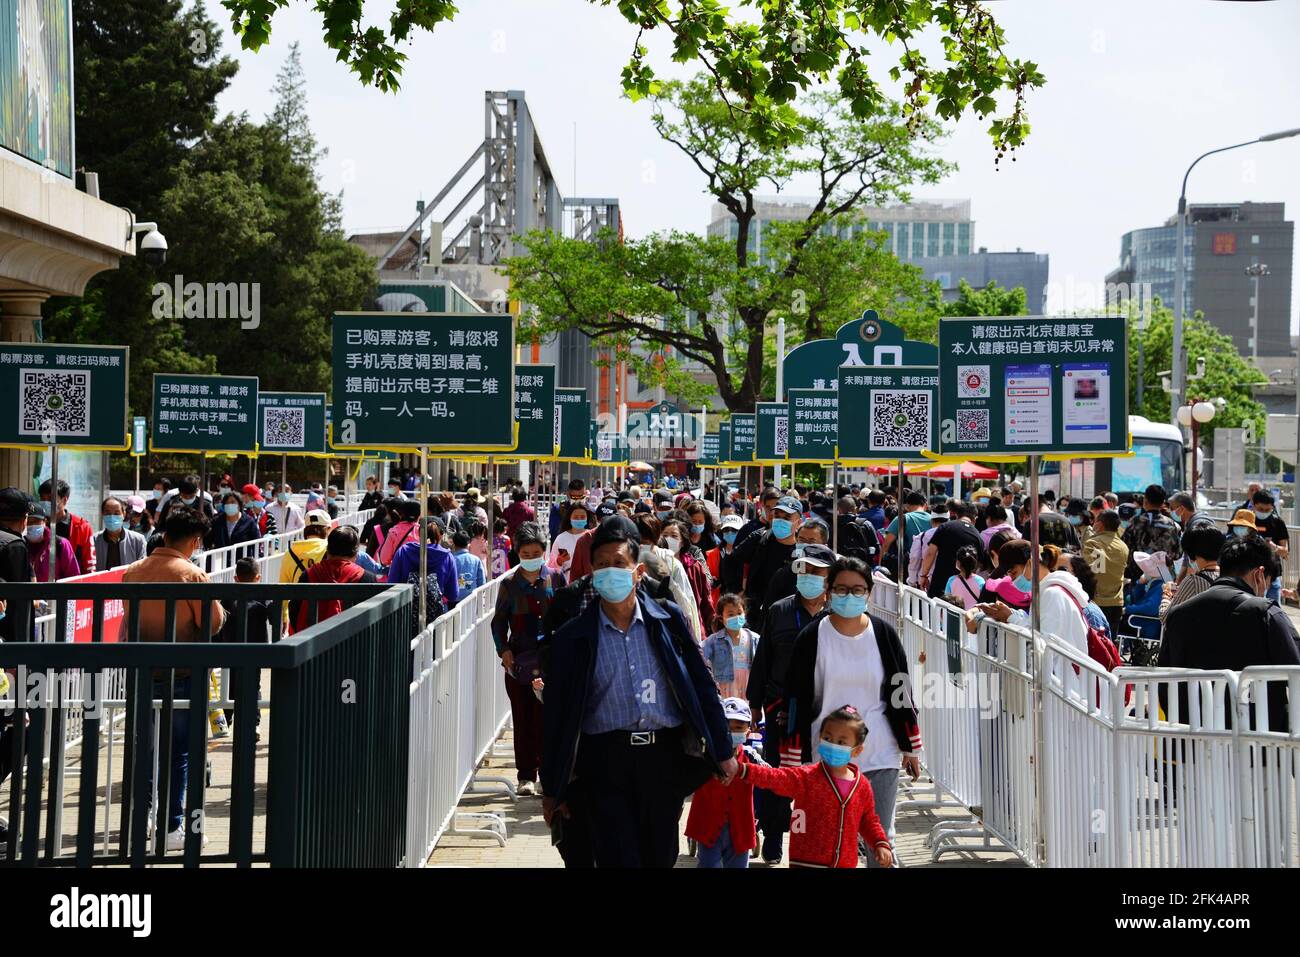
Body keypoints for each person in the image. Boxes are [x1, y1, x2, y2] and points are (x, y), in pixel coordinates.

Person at [540, 515, 735, 868]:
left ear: (638, 570)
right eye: (601, 565)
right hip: (604, 762)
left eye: (619, 563)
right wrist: (553, 787)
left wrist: (723, 749)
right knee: (618, 856)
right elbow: (556, 715)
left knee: (660, 855)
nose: (609, 572)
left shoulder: (668, 620)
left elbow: (702, 686)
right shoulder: (573, 638)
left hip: (662, 760)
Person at [783, 556, 922, 865]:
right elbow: (795, 698)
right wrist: (792, 755)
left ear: (869, 593)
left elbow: (901, 691)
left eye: (858, 590)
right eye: (842, 589)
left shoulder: (884, 635)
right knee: (827, 841)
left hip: (879, 751)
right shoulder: (811, 637)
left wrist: (910, 747)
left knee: (880, 839)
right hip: (827, 755)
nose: (849, 596)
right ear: (828, 592)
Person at [121, 504, 227, 848]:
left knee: (144, 750)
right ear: (195, 541)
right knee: (178, 752)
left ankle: (143, 820)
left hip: (140, 672)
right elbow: (211, 622)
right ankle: (171, 827)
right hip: (182, 673)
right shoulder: (192, 575)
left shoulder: (133, 571)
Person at [1162, 536, 1300, 731]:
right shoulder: (1265, 612)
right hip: (1261, 742)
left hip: (1196, 740)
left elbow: (1164, 681)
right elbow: (1295, 670)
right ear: (1260, 574)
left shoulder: (1177, 614)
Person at [733, 706, 893, 868]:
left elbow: (869, 820)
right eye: (828, 738)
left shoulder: (862, 786)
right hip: (806, 863)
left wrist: (880, 843)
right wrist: (742, 769)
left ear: (857, 750)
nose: (833, 745)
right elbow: (774, 777)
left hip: (845, 863)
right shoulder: (807, 777)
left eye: (841, 742)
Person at [491, 522, 554, 796]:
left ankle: (548, 773)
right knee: (523, 718)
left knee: (548, 719)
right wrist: (503, 651)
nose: (531, 558)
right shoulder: (509, 584)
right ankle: (526, 775)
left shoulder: (555, 579)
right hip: (519, 663)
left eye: (536, 552)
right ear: (517, 554)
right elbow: (498, 623)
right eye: (525, 554)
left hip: (550, 662)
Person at [685, 697, 767, 869]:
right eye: (727, 727)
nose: (732, 732)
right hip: (707, 827)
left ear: (749, 730)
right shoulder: (704, 754)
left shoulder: (751, 756)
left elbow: (769, 776)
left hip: (740, 830)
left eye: (739, 727)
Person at [722, 495, 802, 631]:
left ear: (798, 523)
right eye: (777, 515)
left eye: (787, 518)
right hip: (755, 615)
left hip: (786, 618)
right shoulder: (760, 538)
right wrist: (736, 591)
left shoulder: (801, 550)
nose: (780, 521)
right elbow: (730, 561)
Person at [216, 556, 272, 738]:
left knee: (230, 685)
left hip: (229, 649)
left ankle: (226, 719)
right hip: (256, 650)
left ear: (235, 577)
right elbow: (274, 617)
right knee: (253, 686)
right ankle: (253, 724)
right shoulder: (263, 596)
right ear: (258, 577)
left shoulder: (227, 597)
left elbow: (218, 623)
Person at [295, 526, 379, 631]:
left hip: (311, 641)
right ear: (356, 553)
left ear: (328, 549)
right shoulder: (366, 577)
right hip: (352, 643)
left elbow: (294, 610)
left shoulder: (308, 574)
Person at [386, 518, 461, 627]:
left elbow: (392, 585)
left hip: (405, 615)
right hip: (436, 618)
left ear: (418, 532)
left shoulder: (403, 551)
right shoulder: (447, 557)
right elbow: (453, 595)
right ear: (441, 535)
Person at [1159, 524, 1226, 622]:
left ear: (1193, 553)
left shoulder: (1194, 581)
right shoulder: (1229, 576)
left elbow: (1166, 617)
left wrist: (1167, 595)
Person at [920, 499, 985, 599]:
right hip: (960, 590)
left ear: (956, 515)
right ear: (975, 519)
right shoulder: (978, 536)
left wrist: (924, 575)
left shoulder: (945, 527)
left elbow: (930, 553)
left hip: (940, 582)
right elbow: (977, 566)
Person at [1083, 509, 1129, 637]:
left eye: (1096, 520)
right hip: (1116, 601)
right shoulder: (1123, 546)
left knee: (1094, 644)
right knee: (1110, 643)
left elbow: (1095, 570)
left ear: (1100, 524)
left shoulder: (1095, 543)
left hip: (1096, 602)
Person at [701, 593, 758, 699]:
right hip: (725, 697)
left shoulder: (754, 639)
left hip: (749, 697)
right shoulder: (713, 641)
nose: (736, 617)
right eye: (731, 615)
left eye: (739, 613)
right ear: (721, 618)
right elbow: (698, 656)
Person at [38, 479, 96, 575]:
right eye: (42, 498)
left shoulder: (82, 527)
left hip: (72, 585)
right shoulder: (36, 525)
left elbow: (90, 565)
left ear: (64, 500)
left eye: (50, 498)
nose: (45, 503)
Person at [1122, 483, 1181, 577]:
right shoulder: (1170, 523)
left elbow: (1124, 548)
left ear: (1145, 500)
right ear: (1163, 503)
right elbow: (1177, 554)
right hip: (1163, 576)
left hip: (1137, 574)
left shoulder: (1135, 522)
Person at [1249, 489, 1289, 604]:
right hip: (1252, 573)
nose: (1264, 512)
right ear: (1254, 505)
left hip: (1273, 574)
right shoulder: (1248, 521)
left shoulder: (1278, 523)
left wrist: (1274, 547)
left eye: (1268, 510)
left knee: (1274, 609)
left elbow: (1285, 551)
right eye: (1260, 509)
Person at [881, 491, 930, 580]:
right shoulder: (934, 520)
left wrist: (880, 565)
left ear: (907, 505)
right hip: (930, 568)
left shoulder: (902, 518)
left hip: (908, 569)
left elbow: (886, 544)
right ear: (925, 504)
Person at [94, 496, 148, 571]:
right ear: (102, 514)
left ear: (123, 514)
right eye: (108, 513)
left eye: (116, 513)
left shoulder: (138, 540)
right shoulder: (94, 540)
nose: (112, 517)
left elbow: (142, 569)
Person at [26, 507, 80, 581]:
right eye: (28, 522)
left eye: (36, 521)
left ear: (44, 521)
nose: (31, 525)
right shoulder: (20, 545)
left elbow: (73, 577)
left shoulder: (60, 544)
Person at [549, 501, 592, 584]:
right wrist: (559, 561)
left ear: (587, 518)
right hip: (567, 583)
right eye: (576, 517)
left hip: (588, 582)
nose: (579, 519)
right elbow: (551, 566)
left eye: (582, 517)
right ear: (570, 518)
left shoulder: (592, 536)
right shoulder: (561, 538)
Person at [943, 545, 986, 611]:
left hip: (956, 617)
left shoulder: (951, 580)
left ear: (958, 563)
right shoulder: (980, 581)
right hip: (973, 618)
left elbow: (946, 601)